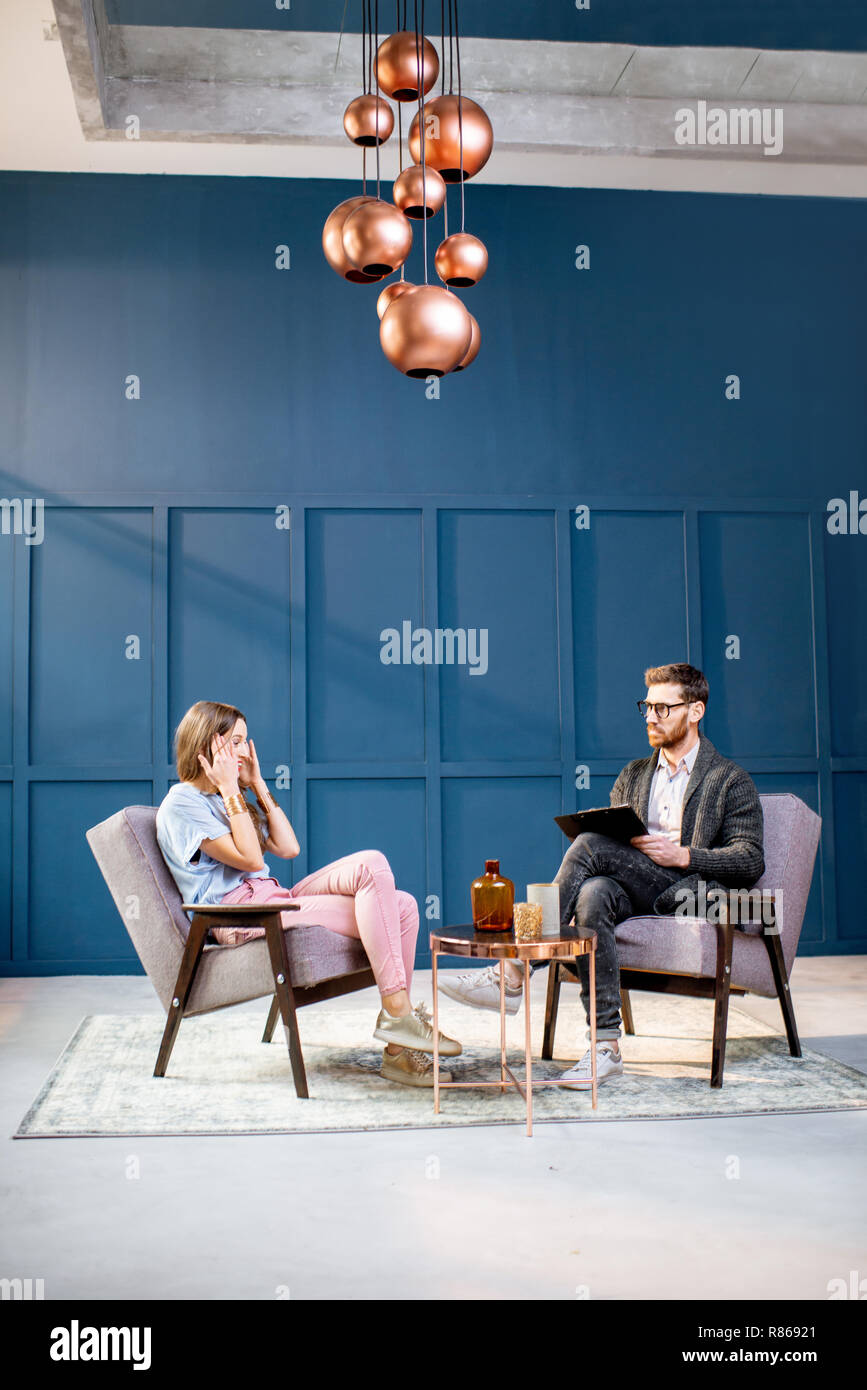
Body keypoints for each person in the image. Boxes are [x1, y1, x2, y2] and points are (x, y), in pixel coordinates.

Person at [437, 663, 764, 1089]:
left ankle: (512, 971)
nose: (650, 717)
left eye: (663, 709)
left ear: (695, 711)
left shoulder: (729, 780)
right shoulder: (634, 774)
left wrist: (682, 854)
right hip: (633, 888)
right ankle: (605, 1047)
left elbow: (749, 859)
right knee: (593, 893)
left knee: (590, 844)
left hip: (686, 893)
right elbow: (617, 851)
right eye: (646, 707)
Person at [155, 700, 461, 1088]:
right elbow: (250, 858)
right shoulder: (180, 804)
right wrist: (231, 788)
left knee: (392, 889)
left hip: (274, 897)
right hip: (241, 914)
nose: (245, 752)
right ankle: (399, 1027)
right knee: (396, 911)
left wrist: (256, 785)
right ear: (207, 748)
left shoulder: (224, 797)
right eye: (236, 742)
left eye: (247, 742)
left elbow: (288, 847)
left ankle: (397, 1036)